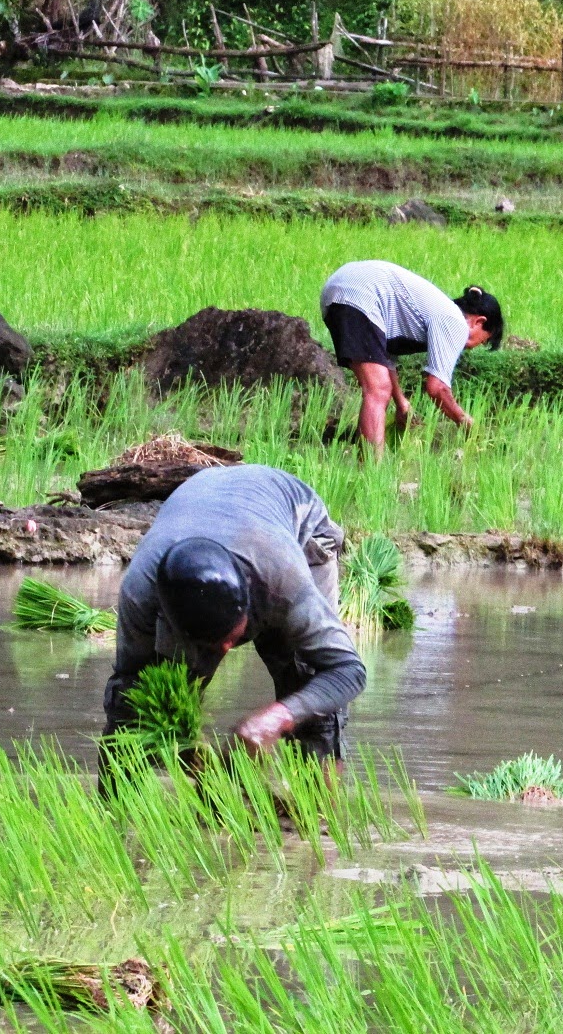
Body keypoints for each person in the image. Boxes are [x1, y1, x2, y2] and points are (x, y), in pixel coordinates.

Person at [102, 464, 365, 761]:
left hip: (296, 524)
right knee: (158, 691)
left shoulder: (283, 579)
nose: (226, 651)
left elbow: (348, 671)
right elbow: (129, 684)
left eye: (229, 636)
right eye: (211, 644)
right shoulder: (141, 591)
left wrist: (278, 717)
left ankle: (317, 802)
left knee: (304, 676)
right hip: (202, 503)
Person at [320, 260, 504, 452]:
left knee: (378, 386)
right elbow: (437, 387)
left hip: (336, 291)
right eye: (483, 340)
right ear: (479, 322)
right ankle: (373, 471)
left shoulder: (435, 311)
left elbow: (384, 359)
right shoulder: (455, 321)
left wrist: (401, 404)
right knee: (377, 389)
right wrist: (464, 420)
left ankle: (369, 463)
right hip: (360, 294)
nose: (475, 347)